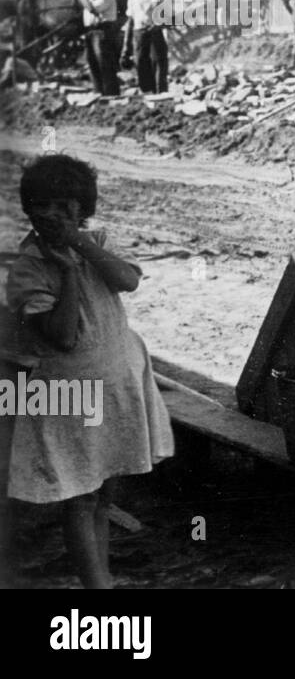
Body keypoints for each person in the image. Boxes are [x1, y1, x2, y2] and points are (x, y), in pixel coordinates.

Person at [5, 155, 174, 588]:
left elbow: (127, 280)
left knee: (103, 495)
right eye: (42, 206)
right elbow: (62, 337)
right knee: (80, 501)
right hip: (71, 398)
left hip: (115, 386)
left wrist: (79, 247)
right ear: (29, 209)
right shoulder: (28, 267)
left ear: (83, 210)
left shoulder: (94, 244)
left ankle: (105, 583)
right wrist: (65, 270)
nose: (52, 215)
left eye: (65, 207)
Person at [70, 0, 122, 96]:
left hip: (102, 31)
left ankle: (111, 94)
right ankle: (99, 92)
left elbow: (93, 9)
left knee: (104, 63)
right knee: (92, 63)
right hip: (90, 31)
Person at [122, 0, 171, 94]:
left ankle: (161, 92)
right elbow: (130, 20)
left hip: (155, 32)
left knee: (159, 62)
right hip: (139, 33)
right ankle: (147, 92)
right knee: (140, 62)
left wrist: (158, 24)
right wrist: (126, 46)